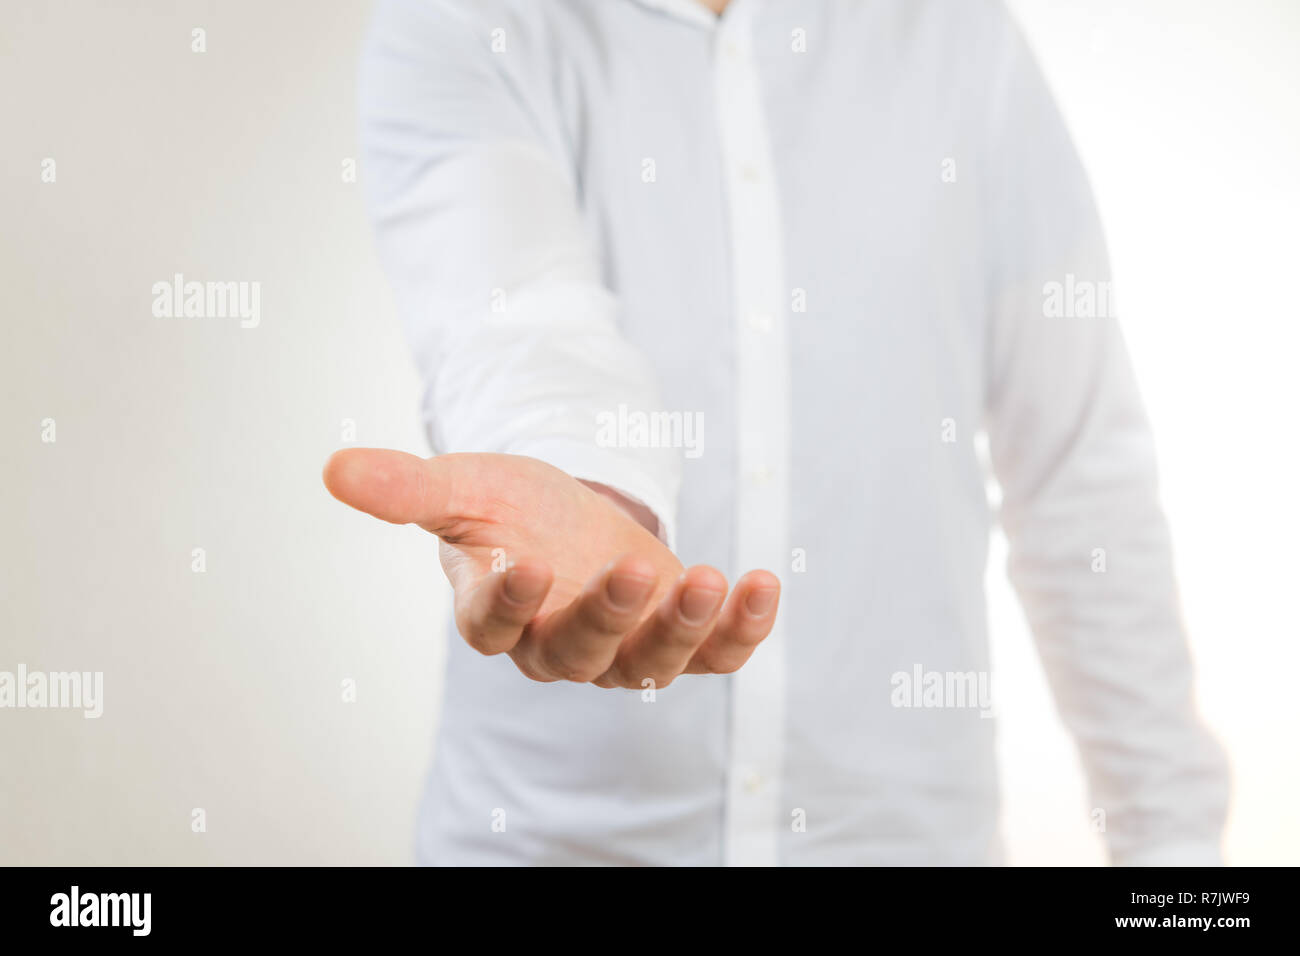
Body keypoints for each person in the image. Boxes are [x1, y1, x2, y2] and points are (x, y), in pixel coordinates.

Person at [323, 0, 1228, 865]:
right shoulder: (460, 17)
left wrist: (1175, 853)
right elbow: (516, 319)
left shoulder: (960, 32)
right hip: (549, 843)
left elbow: (1080, 478)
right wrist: (589, 488)